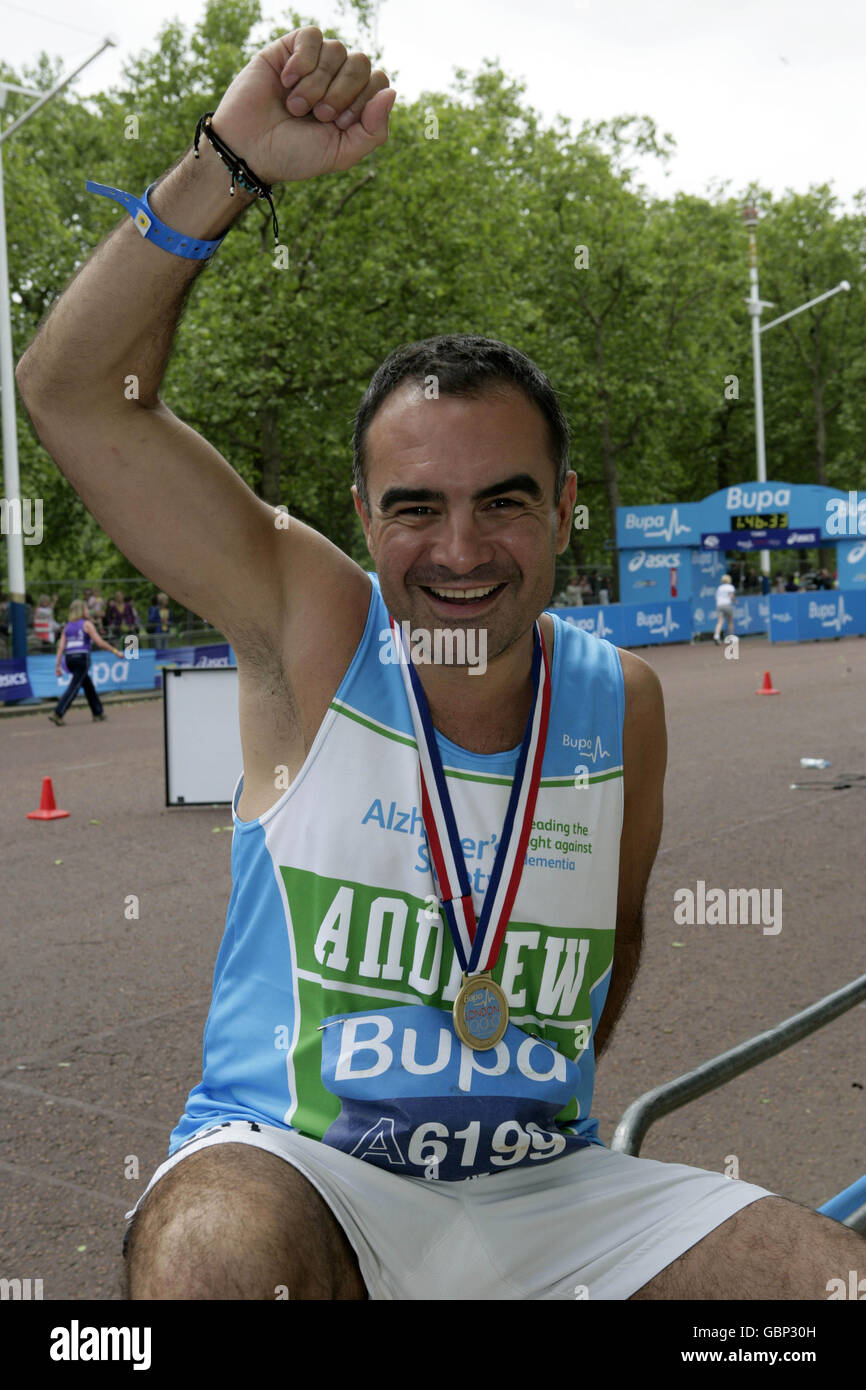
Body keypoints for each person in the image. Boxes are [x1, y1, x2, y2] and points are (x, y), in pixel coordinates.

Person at [16, 25, 865, 1302]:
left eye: (503, 502)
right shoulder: (308, 623)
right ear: (361, 517)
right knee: (210, 1253)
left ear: (567, 508)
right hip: (301, 1171)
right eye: (414, 505)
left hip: (548, 1185)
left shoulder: (618, 702)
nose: (458, 548)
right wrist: (228, 161)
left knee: (824, 1280)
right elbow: (73, 392)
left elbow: (610, 943)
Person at [49, 599, 122, 725]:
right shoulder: (87, 624)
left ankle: (98, 713)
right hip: (82, 658)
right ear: (81, 611)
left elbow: (61, 646)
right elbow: (100, 642)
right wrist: (115, 651)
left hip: (69, 659)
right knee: (74, 686)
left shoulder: (67, 626)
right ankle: (58, 712)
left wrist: (57, 665)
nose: (88, 611)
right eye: (86, 609)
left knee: (88, 685)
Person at [712, 572, 736, 646]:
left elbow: (717, 597)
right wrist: (735, 601)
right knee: (730, 622)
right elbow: (731, 596)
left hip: (719, 605)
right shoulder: (730, 587)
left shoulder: (719, 588)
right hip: (727, 604)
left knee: (720, 622)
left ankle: (716, 636)